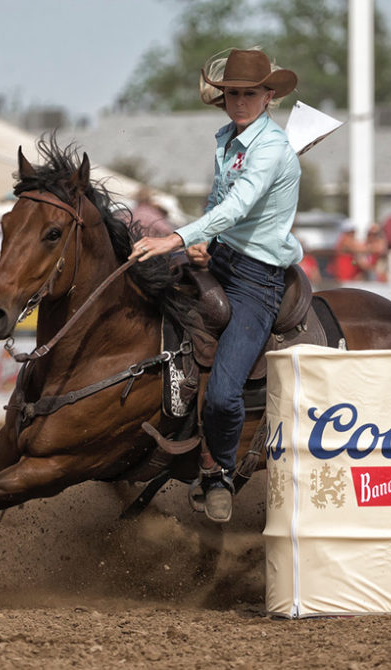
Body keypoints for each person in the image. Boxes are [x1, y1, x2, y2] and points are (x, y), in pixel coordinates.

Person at [129, 47, 300, 523]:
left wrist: (178, 239)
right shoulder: (229, 138)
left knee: (224, 394)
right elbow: (219, 199)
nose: (239, 102)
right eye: (232, 94)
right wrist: (203, 243)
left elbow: (240, 204)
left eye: (249, 94)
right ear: (223, 98)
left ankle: (219, 471)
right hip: (221, 258)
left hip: (257, 279)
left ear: (268, 96)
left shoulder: (271, 148)